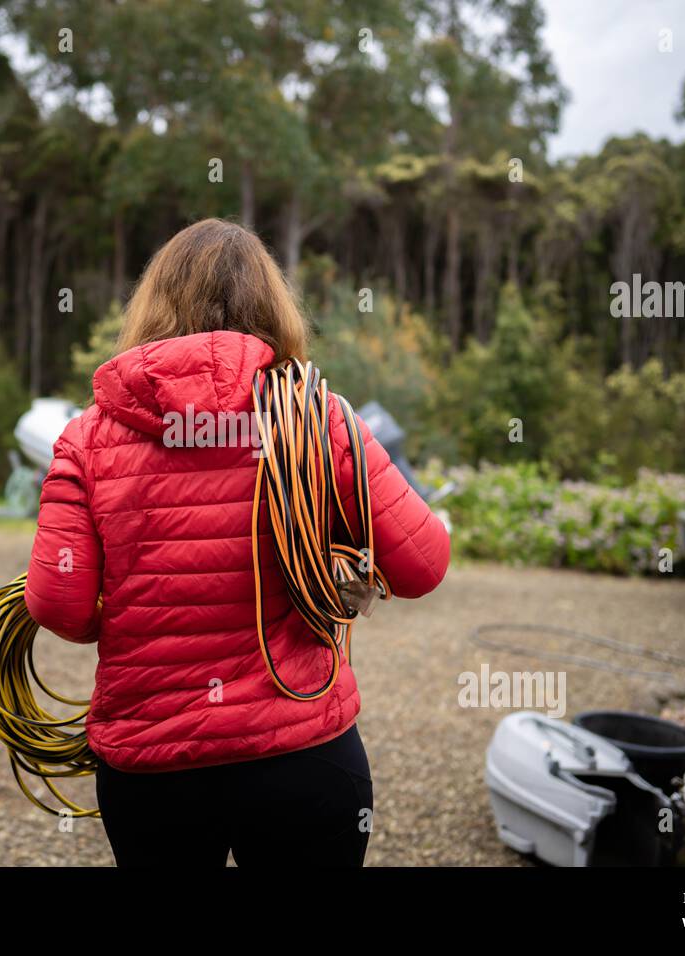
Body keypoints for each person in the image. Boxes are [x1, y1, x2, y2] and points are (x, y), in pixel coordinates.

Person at [24, 218, 450, 866]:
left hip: (152, 768)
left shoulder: (87, 437)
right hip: (303, 759)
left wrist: (137, 617)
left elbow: (58, 604)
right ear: (272, 304)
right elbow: (424, 565)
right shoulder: (320, 417)